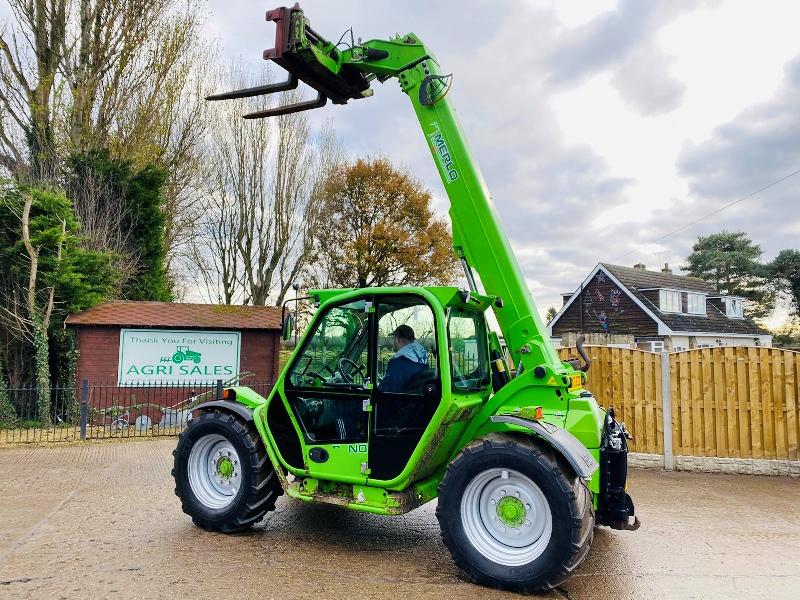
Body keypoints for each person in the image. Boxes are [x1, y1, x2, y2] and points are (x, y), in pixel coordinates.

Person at [378, 324, 428, 393]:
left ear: (397, 339)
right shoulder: (423, 360)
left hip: (400, 402)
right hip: (416, 401)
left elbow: (386, 390)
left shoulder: (397, 363)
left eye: (393, 338)